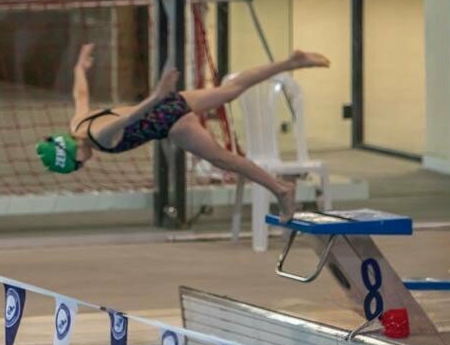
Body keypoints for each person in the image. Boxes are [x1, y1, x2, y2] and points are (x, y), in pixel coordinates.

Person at [35, 43, 331, 220]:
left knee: (226, 160)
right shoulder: (78, 124)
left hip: (170, 120)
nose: (83, 164)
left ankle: (281, 189)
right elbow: (80, 94)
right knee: (229, 90)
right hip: (170, 108)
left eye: (77, 164)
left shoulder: (101, 137)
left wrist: (157, 95)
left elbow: (133, 118)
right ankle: (292, 62)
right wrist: (79, 67)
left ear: (74, 154)